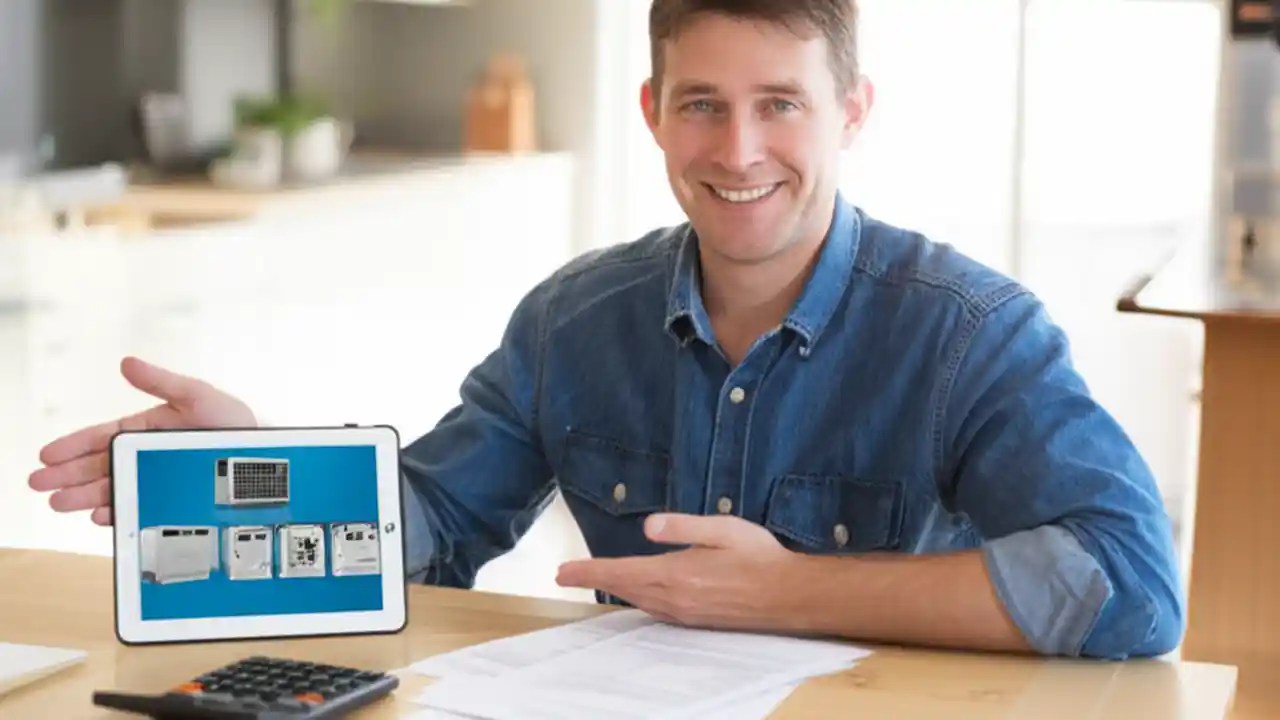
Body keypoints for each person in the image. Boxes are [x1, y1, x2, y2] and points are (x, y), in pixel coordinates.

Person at [27, 0, 1182, 661]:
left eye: (778, 103)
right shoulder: (573, 321)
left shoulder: (965, 333)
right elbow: (430, 522)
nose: (736, 152)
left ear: (850, 112)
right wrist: (254, 474)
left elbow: (1130, 585)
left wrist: (791, 592)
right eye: (700, 105)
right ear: (652, 114)